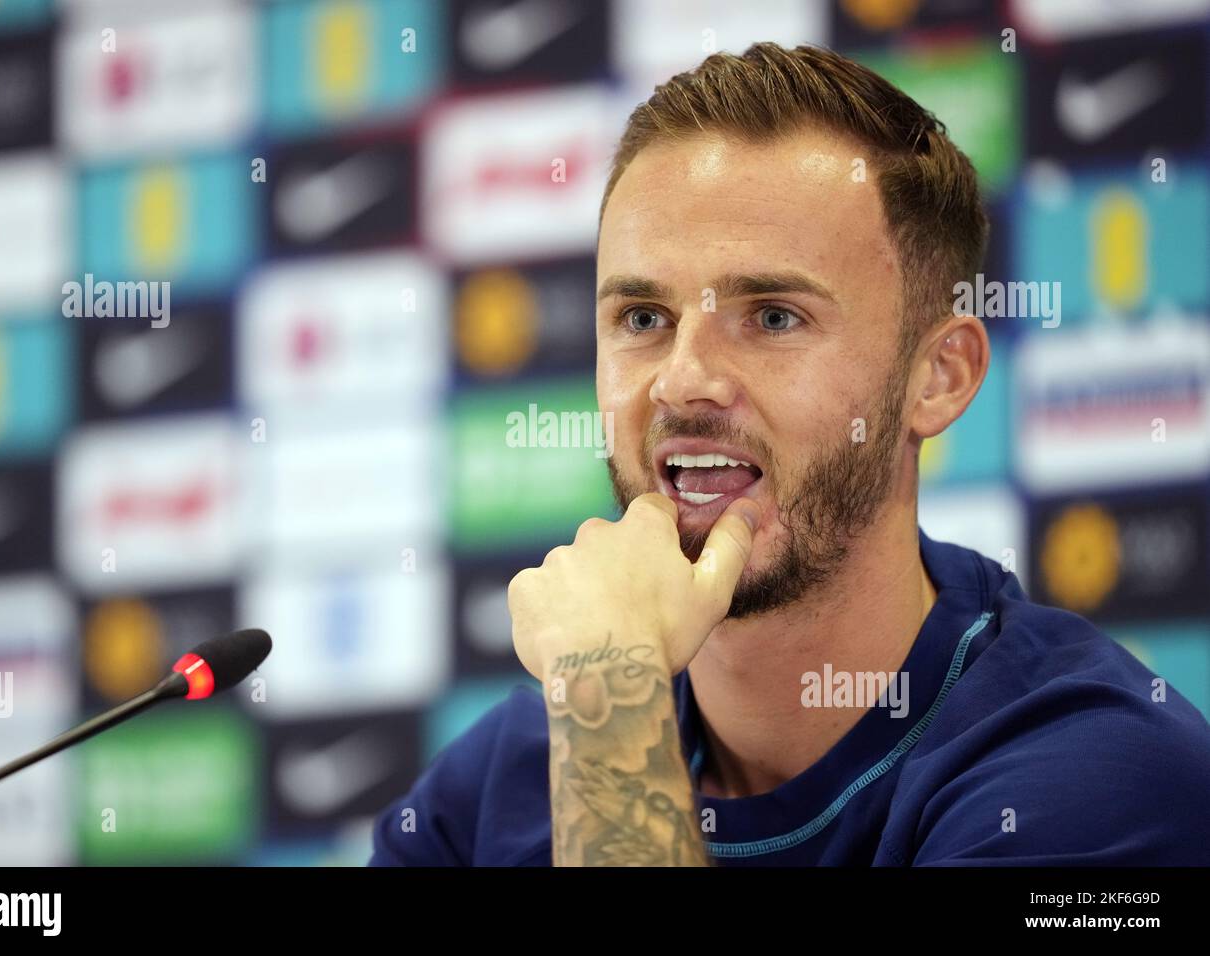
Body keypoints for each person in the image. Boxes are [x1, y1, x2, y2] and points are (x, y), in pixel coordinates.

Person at [369, 43, 1210, 866]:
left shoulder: (1096, 777)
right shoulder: (492, 791)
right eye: (641, 319)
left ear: (939, 378)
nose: (682, 381)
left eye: (773, 317)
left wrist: (611, 708)